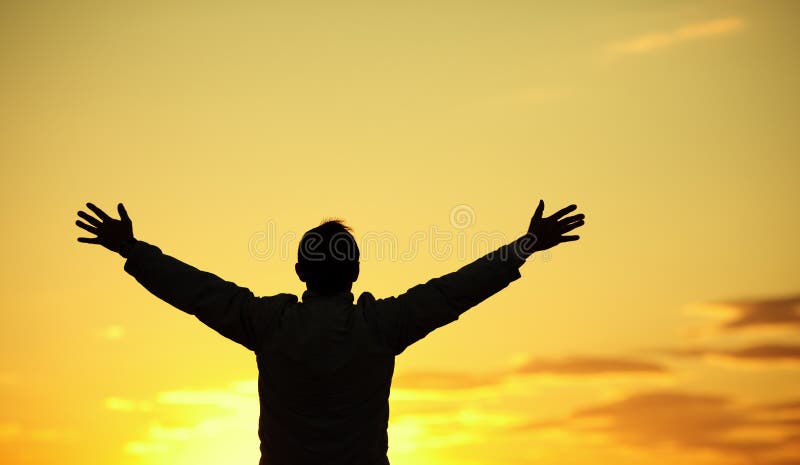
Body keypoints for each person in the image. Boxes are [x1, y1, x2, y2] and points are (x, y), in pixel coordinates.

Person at [75, 200, 585, 465]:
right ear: (357, 273)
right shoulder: (381, 327)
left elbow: (197, 292)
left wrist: (132, 250)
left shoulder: (269, 325)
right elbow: (456, 290)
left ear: (299, 271)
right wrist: (527, 244)